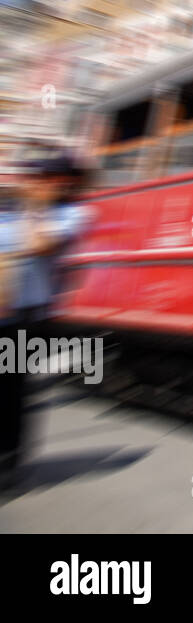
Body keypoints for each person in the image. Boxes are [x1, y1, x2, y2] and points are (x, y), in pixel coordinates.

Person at [0, 154, 94, 489]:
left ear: (63, 182)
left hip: (24, 318)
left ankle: (8, 463)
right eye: (33, 178)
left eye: (45, 179)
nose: (35, 184)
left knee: (10, 393)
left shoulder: (73, 215)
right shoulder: (7, 213)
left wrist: (31, 209)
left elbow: (38, 245)